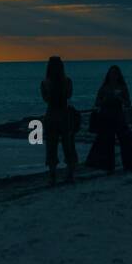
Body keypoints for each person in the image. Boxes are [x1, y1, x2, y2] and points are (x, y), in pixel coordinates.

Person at [85, 66, 132, 173]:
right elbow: (97, 102)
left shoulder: (122, 87)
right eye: (112, 73)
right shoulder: (104, 88)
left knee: (126, 139)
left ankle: (131, 164)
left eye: (115, 73)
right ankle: (107, 167)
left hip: (118, 116)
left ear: (118, 75)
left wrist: (120, 98)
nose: (113, 76)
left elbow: (128, 103)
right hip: (106, 116)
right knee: (106, 142)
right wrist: (105, 99)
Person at [40, 56, 77, 185]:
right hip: (64, 114)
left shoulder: (45, 82)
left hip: (51, 115)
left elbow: (45, 99)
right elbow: (69, 95)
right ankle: (70, 173)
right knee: (68, 145)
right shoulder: (67, 81)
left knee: (51, 146)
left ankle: (52, 175)